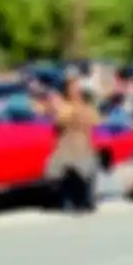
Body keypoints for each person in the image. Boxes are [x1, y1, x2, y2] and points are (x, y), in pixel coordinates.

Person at [43, 70, 101, 213]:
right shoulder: (63, 105)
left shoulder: (86, 105)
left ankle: (86, 201)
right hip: (67, 143)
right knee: (68, 174)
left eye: (77, 86)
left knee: (87, 172)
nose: (75, 89)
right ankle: (70, 201)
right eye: (72, 87)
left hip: (83, 143)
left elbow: (94, 121)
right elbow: (59, 122)